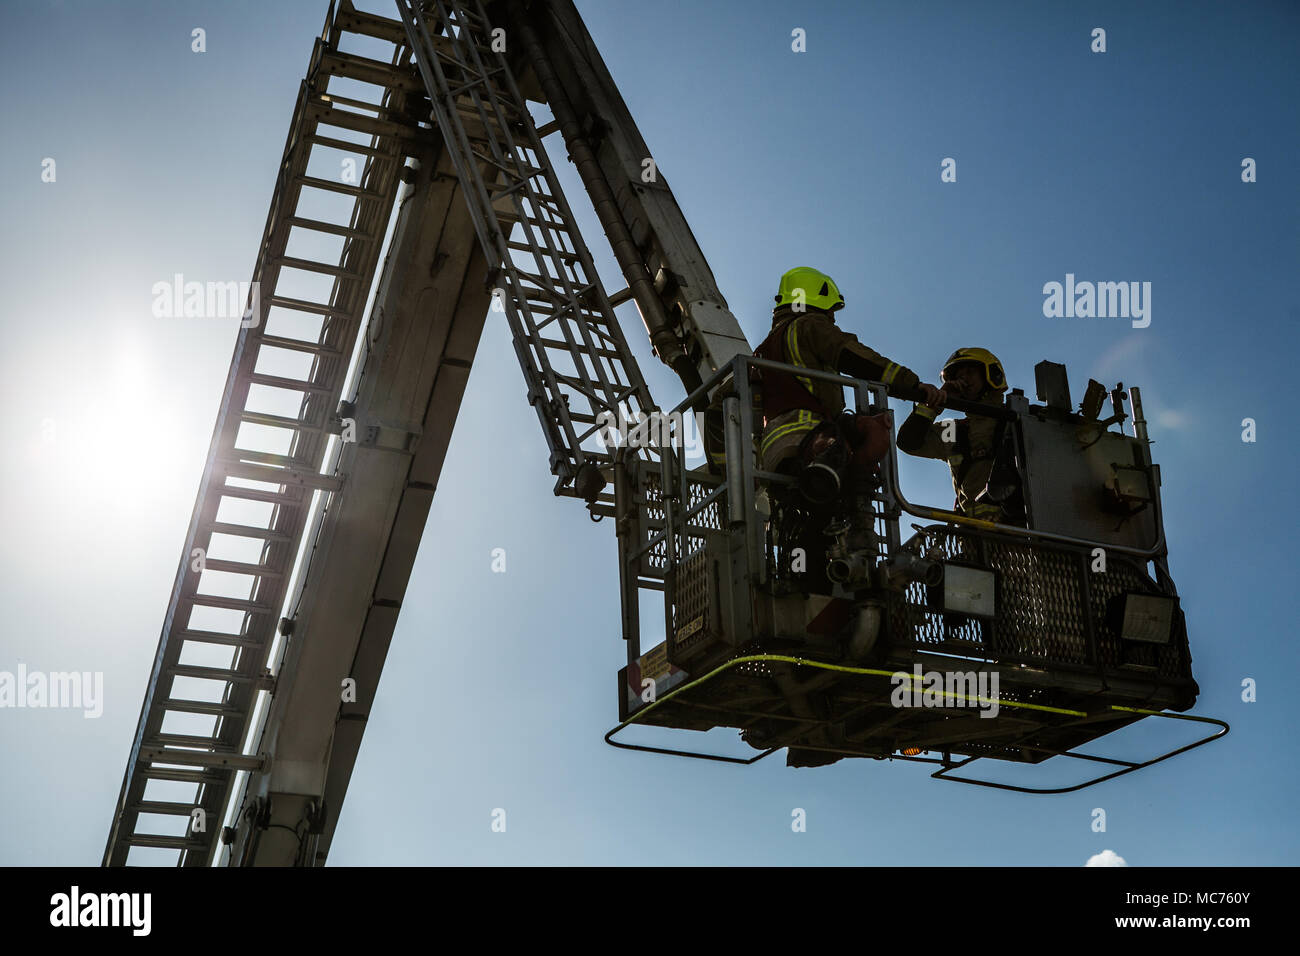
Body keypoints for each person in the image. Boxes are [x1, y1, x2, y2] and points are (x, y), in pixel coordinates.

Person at [895, 347, 1022, 524]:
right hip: (971, 538)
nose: (963, 379)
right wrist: (934, 404)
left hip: (1017, 537)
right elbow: (908, 442)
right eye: (958, 376)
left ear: (991, 376)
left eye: (970, 372)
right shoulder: (953, 432)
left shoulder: (1017, 423)